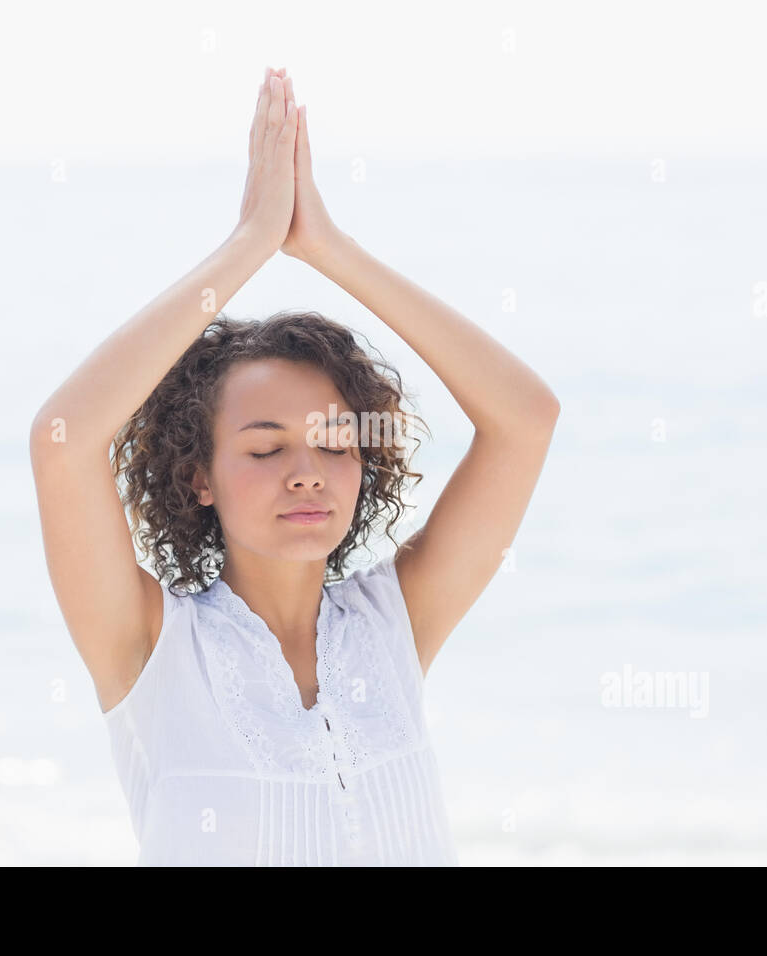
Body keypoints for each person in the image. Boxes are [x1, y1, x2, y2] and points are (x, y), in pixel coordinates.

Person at [29, 66, 560, 865]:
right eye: (266, 448)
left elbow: (527, 418)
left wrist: (328, 248)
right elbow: (64, 440)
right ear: (198, 477)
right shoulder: (152, 647)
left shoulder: (392, 627)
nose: (307, 471)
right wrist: (249, 246)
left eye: (336, 441)